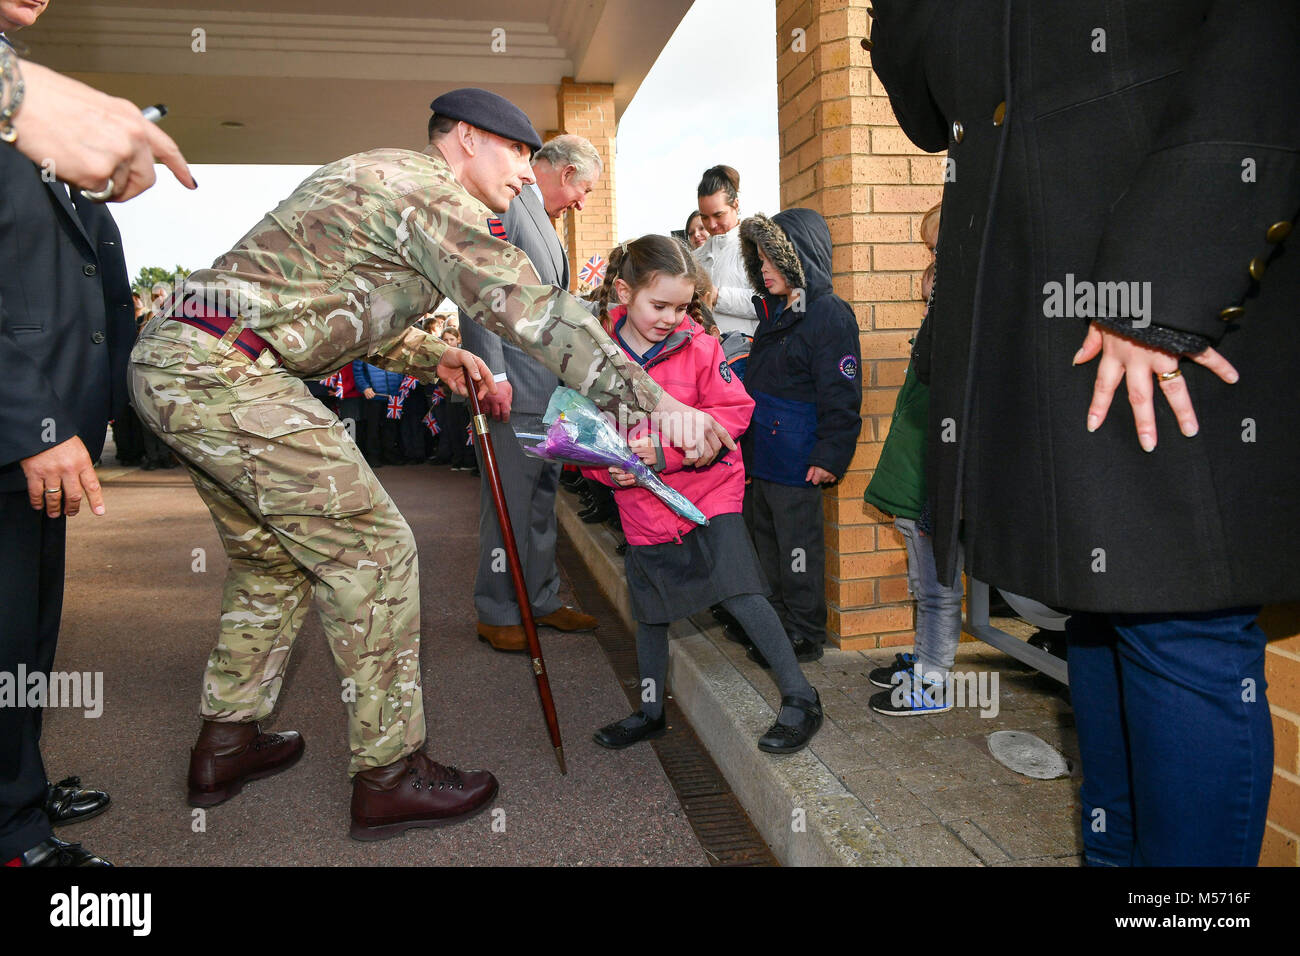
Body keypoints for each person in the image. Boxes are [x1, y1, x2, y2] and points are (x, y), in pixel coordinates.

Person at [129, 87, 733, 842]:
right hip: (226, 375)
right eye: (518, 153)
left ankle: (225, 746)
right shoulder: (427, 191)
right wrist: (652, 404)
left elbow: (327, 310)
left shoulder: (383, 180)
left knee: (274, 563)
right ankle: (389, 776)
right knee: (375, 553)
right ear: (470, 140)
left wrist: (430, 354)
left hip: (186, 363)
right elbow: (534, 310)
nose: (525, 173)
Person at [870, 1, 1299, 865]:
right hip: (1036, 310)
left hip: (1165, 288)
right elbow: (923, 110)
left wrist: (1161, 285)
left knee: (1175, 621)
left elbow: (1260, 47)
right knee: (1100, 612)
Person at [0, 2, 172, 868]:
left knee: (27, 636)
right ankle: (14, 836)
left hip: (43, 434)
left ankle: (16, 783)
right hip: (16, 428)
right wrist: (31, 423)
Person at [585, 235, 823, 754]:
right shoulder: (598, 357)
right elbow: (588, 437)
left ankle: (801, 697)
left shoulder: (701, 345)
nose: (671, 318)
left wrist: (668, 454)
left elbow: (733, 413)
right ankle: (650, 711)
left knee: (741, 591)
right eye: (659, 305)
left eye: (681, 306)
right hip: (644, 506)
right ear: (624, 293)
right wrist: (611, 474)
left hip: (708, 490)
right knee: (650, 610)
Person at [460, 133, 603, 651]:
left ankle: (538, 599)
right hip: (514, 388)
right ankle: (498, 611)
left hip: (544, 391)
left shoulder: (540, 215)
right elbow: (479, 288)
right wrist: (492, 373)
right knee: (509, 505)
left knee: (540, 502)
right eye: (583, 190)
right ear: (564, 174)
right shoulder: (511, 204)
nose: (583, 203)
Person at [738, 210, 863, 666]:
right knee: (765, 547)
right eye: (760, 259)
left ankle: (805, 633)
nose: (765, 267)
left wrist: (831, 453)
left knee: (798, 552)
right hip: (763, 458)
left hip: (797, 461)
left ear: (799, 258)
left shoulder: (828, 314)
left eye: (773, 258)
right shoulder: (776, 314)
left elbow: (842, 392)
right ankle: (774, 629)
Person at [863, 203, 962, 715]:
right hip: (916, 474)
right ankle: (926, 660)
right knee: (924, 582)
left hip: (932, 479)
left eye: (938, 246)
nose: (934, 256)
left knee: (937, 586)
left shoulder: (958, 318)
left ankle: (935, 680)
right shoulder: (937, 326)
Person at [692, 165, 756, 335]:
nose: (711, 224)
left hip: (748, 353)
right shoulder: (695, 257)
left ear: (735, 204)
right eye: (704, 217)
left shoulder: (756, 248)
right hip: (704, 353)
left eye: (718, 215)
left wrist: (718, 296)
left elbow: (772, 302)